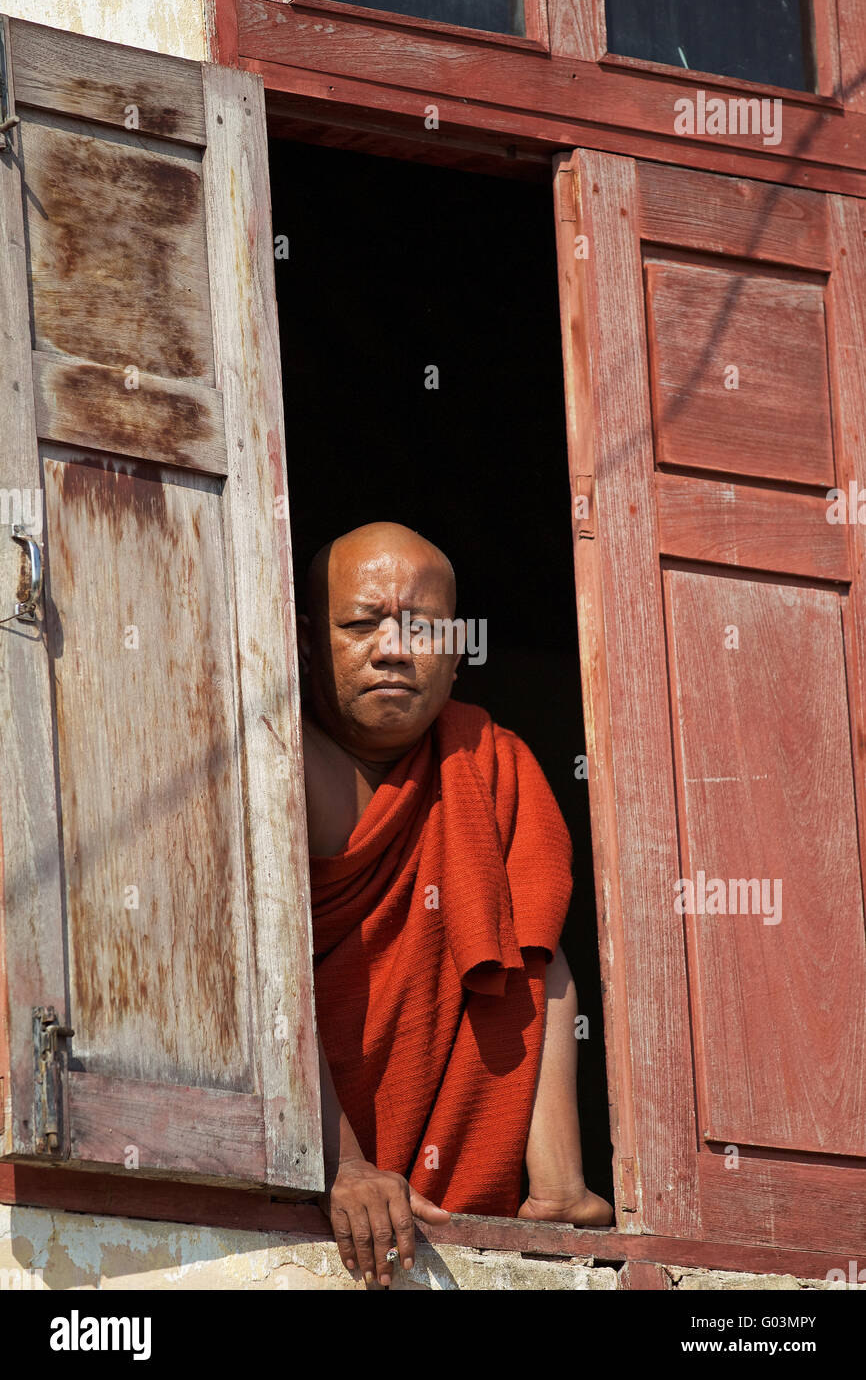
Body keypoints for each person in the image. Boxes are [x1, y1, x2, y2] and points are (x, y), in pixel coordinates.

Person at [298, 521, 613, 1288]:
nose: (395, 649)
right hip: (311, 1152)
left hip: (462, 1192)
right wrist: (341, 1165)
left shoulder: (487, 762)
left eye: (424, 628)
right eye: (361, 623)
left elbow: (537, 959)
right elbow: (252, 974)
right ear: (307, 643)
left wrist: (559, 1183)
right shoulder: (279, 764)